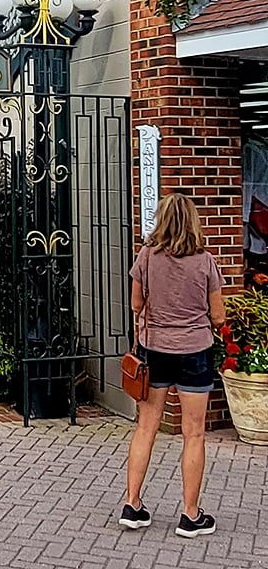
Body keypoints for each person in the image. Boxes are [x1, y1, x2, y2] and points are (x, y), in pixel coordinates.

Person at [119, 193, 226, 538]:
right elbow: (219, 315)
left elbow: (136, 304)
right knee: (193, 433)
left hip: (155, 350)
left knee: (145, 428)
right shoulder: (206, 261)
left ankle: (133, 505)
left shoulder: (147, 256)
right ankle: (190, 515)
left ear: (161, 220)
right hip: (195, 351)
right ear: (193, 222)